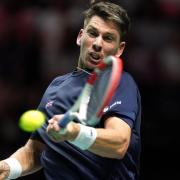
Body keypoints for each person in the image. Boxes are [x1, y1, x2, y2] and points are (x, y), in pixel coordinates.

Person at [0, 1, 141, 180]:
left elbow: (119, 143)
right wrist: (5, 169)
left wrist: (74, 132)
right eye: (93, 33)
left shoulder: (121, 82)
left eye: (108, 38)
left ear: (120, 49)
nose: (98, 43)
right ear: (80, 37)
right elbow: (35, 151)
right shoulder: (56, 86)